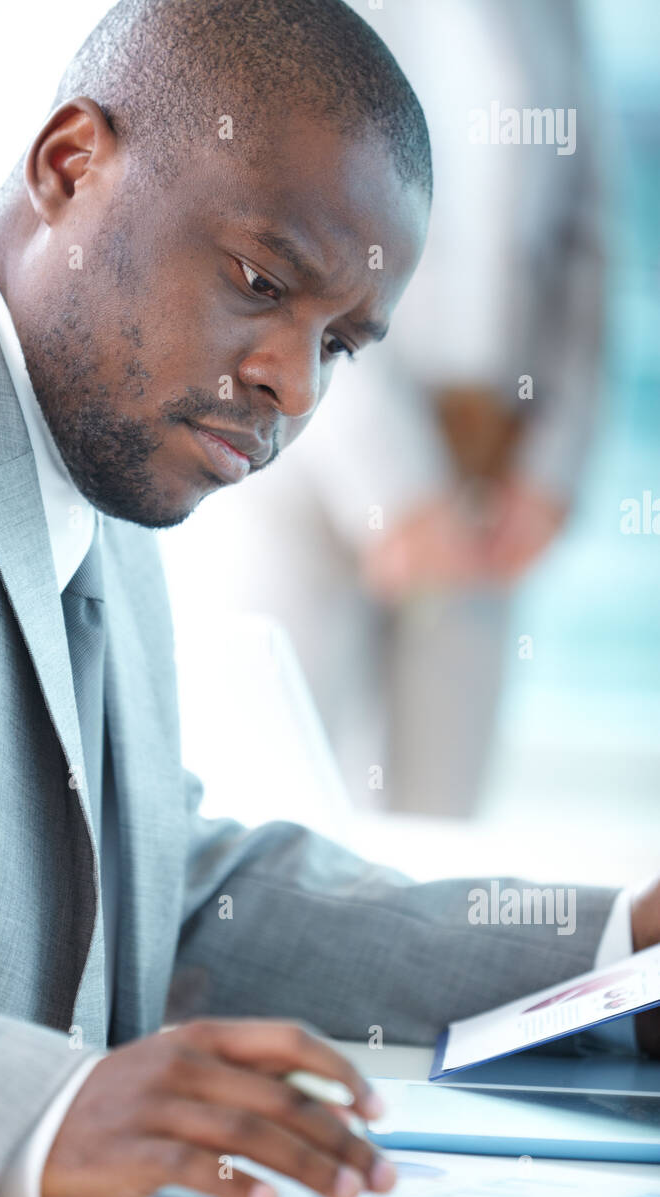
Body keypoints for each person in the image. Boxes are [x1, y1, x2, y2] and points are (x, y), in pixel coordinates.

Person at [0, 0, 656, 1197]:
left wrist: (602, 951)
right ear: (69, 162)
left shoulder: (103, 450)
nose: (297, 388)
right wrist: (40, 1116)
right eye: (260, 283)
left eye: (339, 344)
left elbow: (167, 890)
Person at [162, 0, 604, 815]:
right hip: (308, 448)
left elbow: (585, 237)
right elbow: (281, 230)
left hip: (487, 464)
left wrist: (550, 470)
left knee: (441, 820)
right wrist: (395, 489)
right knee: (272, 799)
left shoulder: (556, 15)